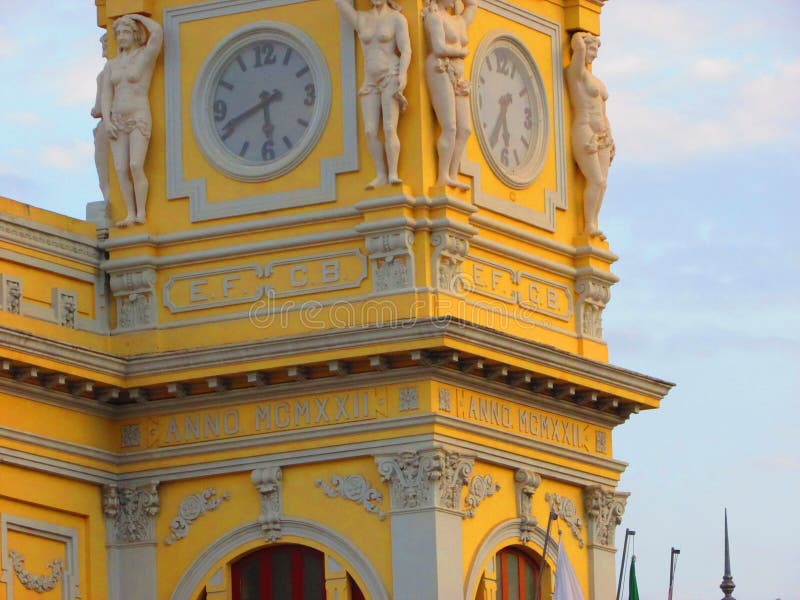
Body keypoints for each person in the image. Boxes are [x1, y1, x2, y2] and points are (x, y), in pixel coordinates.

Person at [334, 0, 411, 189]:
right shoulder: (361, 18)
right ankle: (380, 174)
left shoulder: (396, 19)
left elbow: (406, 49)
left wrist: (403, 74)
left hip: (390, 74)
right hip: (370, 80)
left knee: (389, 127)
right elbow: (340, 3)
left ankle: (393, 173)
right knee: (370, 130)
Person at [102, 13, 163, 227]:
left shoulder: (144, 56)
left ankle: (141, 213)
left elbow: (157, 32)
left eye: (126, 32)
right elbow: (106, 95)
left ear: (135, 34)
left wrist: (136, 16)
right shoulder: (112, 65)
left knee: (136, 165)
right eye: (118, 33)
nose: (121, 36)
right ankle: (130, 213)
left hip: (138, 115)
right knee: (121, 169)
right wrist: (107, 120)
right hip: (117, 120)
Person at [422, 0, 476, 190]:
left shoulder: (459, 21)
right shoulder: (434, 17)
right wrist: (460, 51)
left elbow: (473, 5)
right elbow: (438, 48)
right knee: (450, 126)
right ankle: (443, 175)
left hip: (459, 74)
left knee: (465, 129)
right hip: (440, 68)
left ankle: (453, 174)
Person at [566, 32, 614, 240]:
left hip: (602, 135)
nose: (594, 55)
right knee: (595, 180)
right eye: (591, 50)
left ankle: (594, 222)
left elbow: (602, 111)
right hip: (584, 129)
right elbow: (578, 46)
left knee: (602, 183)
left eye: (596, 51)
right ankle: (588, 225)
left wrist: (609, 135)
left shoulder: (597, 81)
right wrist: (582, 36)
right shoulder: (576, 74)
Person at [91, 34, 110, 206]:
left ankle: (109, 201)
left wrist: (94, 110)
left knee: (105, 173)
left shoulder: (104, 75)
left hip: (107, 126)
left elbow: (98, 110)